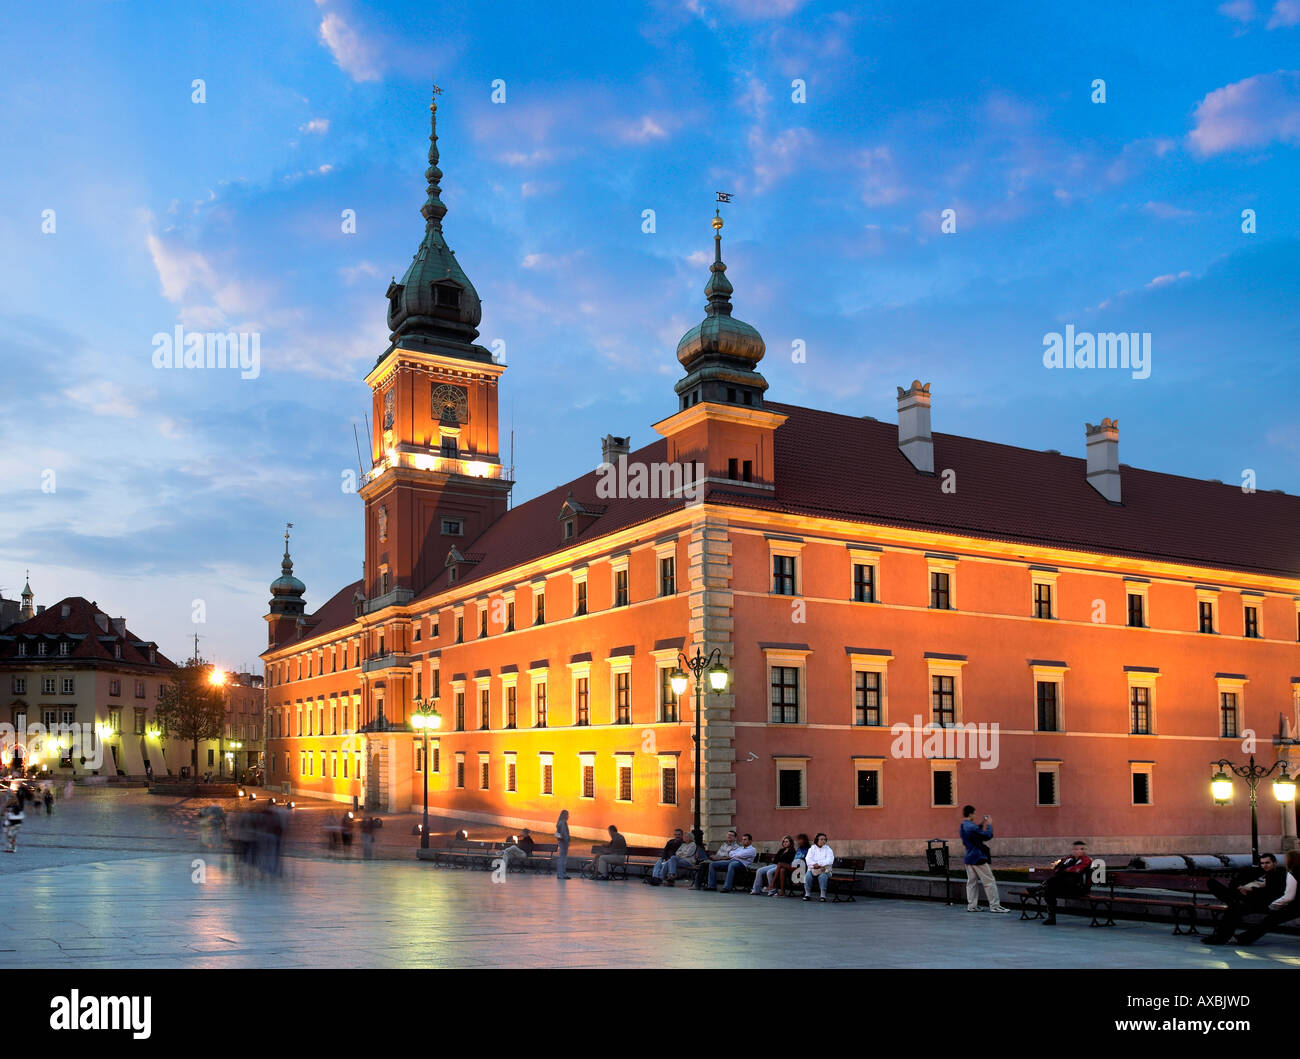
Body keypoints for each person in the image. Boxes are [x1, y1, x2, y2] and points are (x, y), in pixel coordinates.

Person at [1203, 851, 1294, 945]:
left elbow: (1272, 892)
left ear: (1275, 863)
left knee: (1234, 908)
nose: (1264, 865)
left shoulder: (1279, 874)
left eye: (1267, 863)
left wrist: (1250, 889)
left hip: (1258, 901)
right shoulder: (1256, 872)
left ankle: (1220, 937)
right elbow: (1235, 882)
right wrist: (1239, 887)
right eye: (1262, 863)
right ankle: (1221, 935)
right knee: (1212, 883)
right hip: (1242, 896)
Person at [1234, 851, 1300, 945]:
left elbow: (1289, 896)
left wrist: (1274, 905)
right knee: (1271, 920)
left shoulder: (1292, 873)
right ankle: (1243, 938)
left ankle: (1244, 939)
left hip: (1296, 905)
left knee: (1270, 920)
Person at [960, 805, 1010, 913]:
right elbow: (987, 835)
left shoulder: (964, 825)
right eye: (974, 813)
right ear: (970, 814)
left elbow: (975, 832)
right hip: (977, 857)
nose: (975, 815)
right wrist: (989, 825)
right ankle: (995, 906)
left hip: (968, 857)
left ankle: (972, 906)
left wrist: (982, 823)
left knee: (971, 882)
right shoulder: (971, 827)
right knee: (989, 881)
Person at [1037, 841, 1093, 924]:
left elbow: (1077, 870)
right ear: (1072, 850)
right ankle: (1051, 918)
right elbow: (1057, 869)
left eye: (1081, 849)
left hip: (1080, 888)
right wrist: (1064, 870)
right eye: (1075, 849)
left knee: (1053, 883)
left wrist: (1065, 870)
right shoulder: (1068, 859)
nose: (1078, 851)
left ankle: (1041, 887)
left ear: (1084, 850)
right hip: (1066, 887)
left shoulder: (1086, 860)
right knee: (1049, 892)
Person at [803, 833, 835, 901]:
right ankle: (807, 894)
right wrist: (814, 865)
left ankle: (822, 896)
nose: (823, 841)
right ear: (817, 840)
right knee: (807, 876)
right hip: (813, 869)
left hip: (825, 870)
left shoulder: (828, 849)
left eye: (824, 839)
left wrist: (819, 864)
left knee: (822, 876)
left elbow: (830, 860)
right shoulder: (812, 849)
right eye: (821, 839)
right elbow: (808, 859)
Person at [555, 809, 571, 880]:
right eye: (567, 814)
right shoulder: (563, 823)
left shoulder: (560, 822)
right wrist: (567, 839)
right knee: (563, 858)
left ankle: (561, 874)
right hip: (564, 842)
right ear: (564, 815)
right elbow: (564, 833)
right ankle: (562, 874)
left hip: (562, 842)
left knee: (562, 858)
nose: (568, 816)